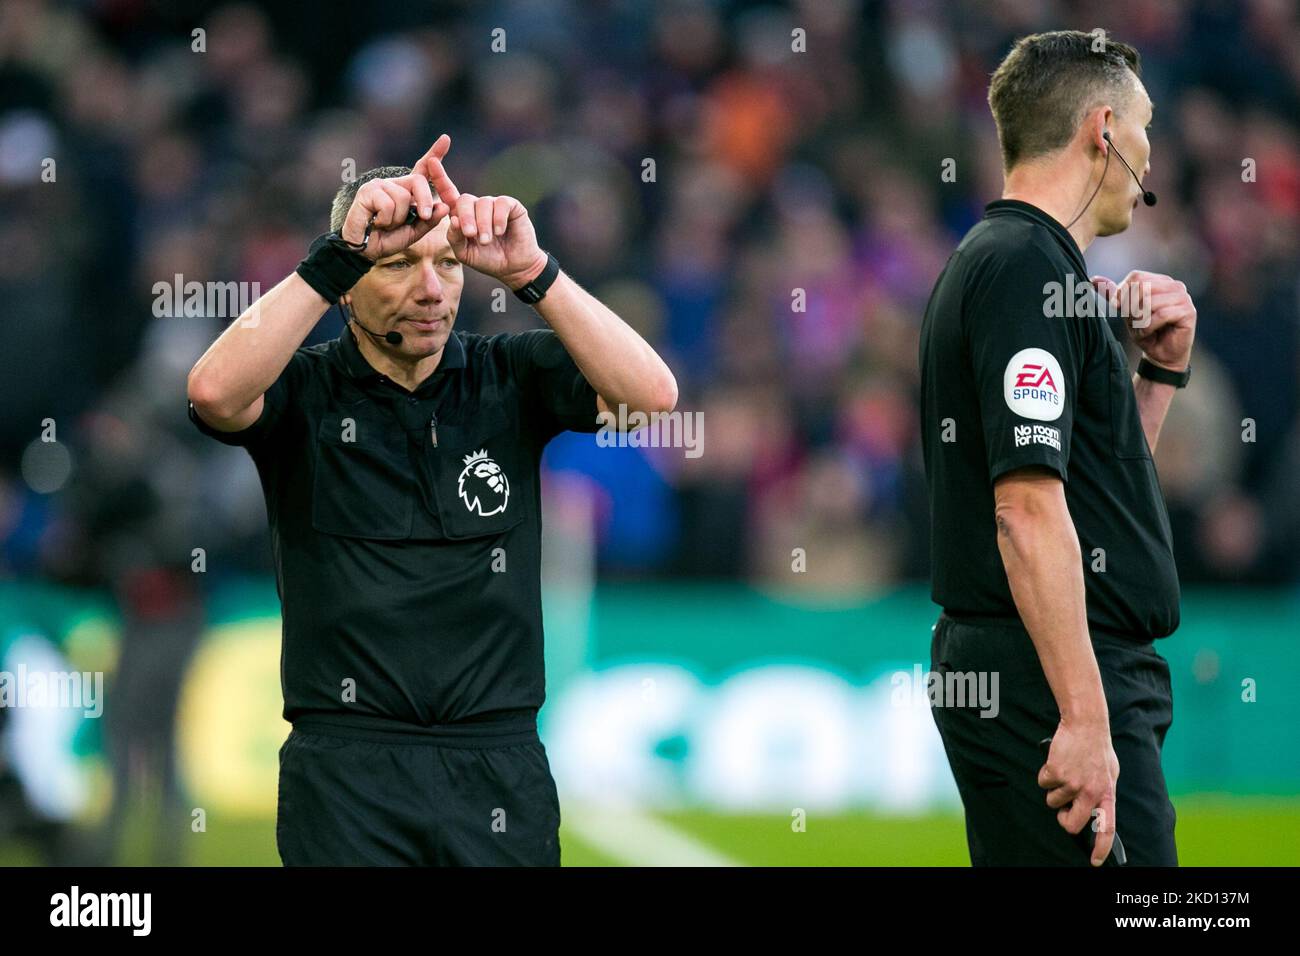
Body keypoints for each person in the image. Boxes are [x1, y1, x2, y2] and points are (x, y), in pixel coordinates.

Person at [186, 134, 677, 865]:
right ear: (348, 283)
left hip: (498, 765)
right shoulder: (306, 392)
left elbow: (652, 396)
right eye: (395, 265)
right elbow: (212, 393)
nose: (431, 289)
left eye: (447, 263)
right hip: (347, 772)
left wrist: (534, 272)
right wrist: (332, 258)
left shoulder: (509, 375)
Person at [919, 31, 1196, 865]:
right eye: (1147, 130)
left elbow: (1086, 500)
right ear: (1103, 129)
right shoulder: (1020, 270)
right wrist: (1082, 718)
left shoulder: (1026, 268)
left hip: (1048, 665)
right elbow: (1027, 513)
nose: (1152, 158)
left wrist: (1157, 380)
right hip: (1053, 674)